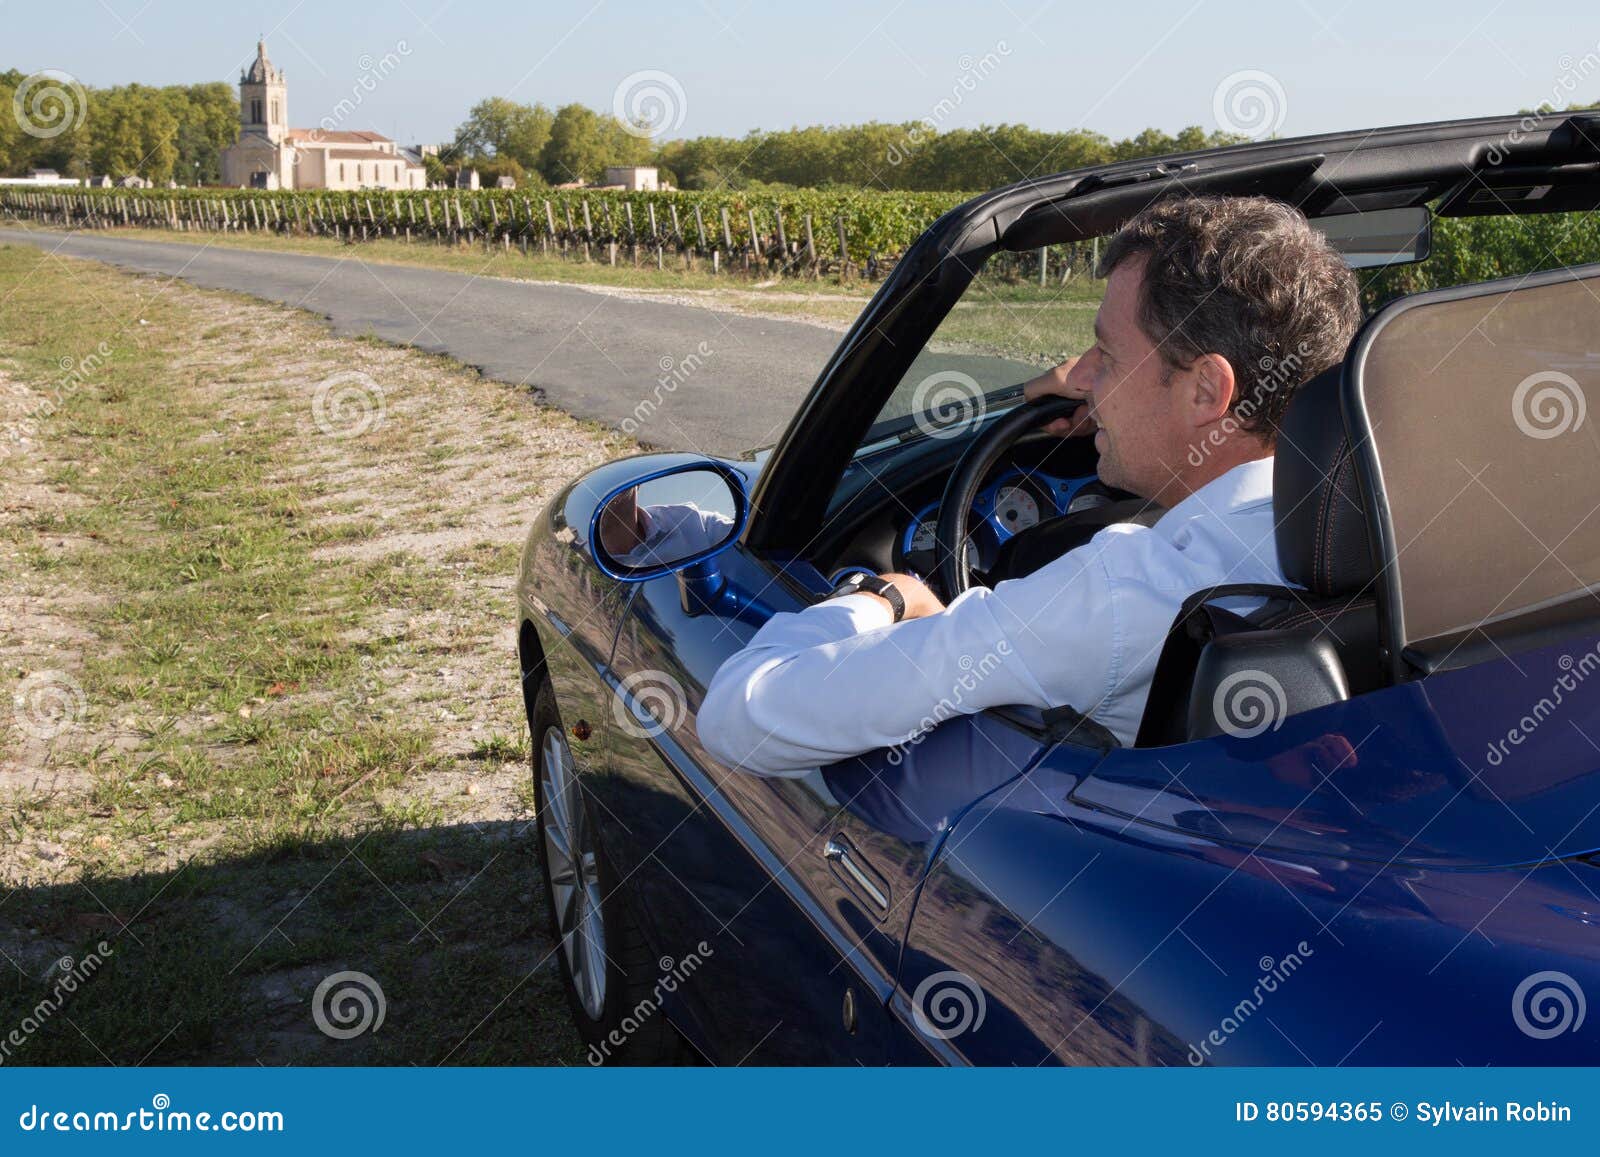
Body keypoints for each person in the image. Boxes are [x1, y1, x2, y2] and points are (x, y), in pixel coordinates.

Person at [696, 195, 1362, 776]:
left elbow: (742, 715)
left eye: (1108, 356)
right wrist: (1119, 401)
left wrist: (880, 599)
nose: (1083, 377)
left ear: (1206, 389)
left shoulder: (1125, 595)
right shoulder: (1404, 528)